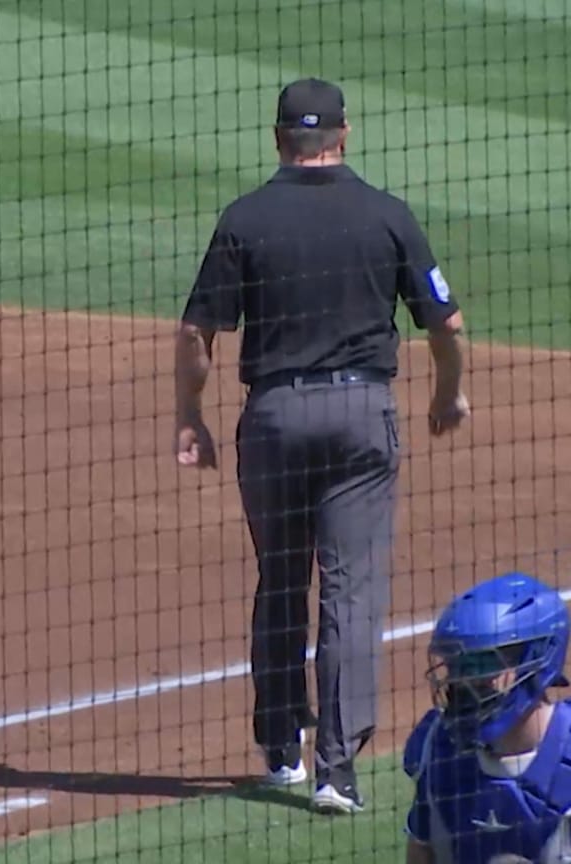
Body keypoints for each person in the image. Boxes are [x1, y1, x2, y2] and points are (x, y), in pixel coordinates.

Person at [173, 78, 471, 814]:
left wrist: (191, 415)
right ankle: (336, 771)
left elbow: (196, 332)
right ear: (345, 134)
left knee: (281, 579)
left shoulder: (245, 218)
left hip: (273, 418)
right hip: (359, 415)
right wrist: (446, 394)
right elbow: (447, 325)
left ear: (280, 139)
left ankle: (279, 751)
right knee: (351, 591)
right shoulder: (387, 214)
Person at [403, 571, 571, 863]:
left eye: (483, 665)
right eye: (459, 667)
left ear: (537, 659)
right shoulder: (438, 751)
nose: (465, 684)